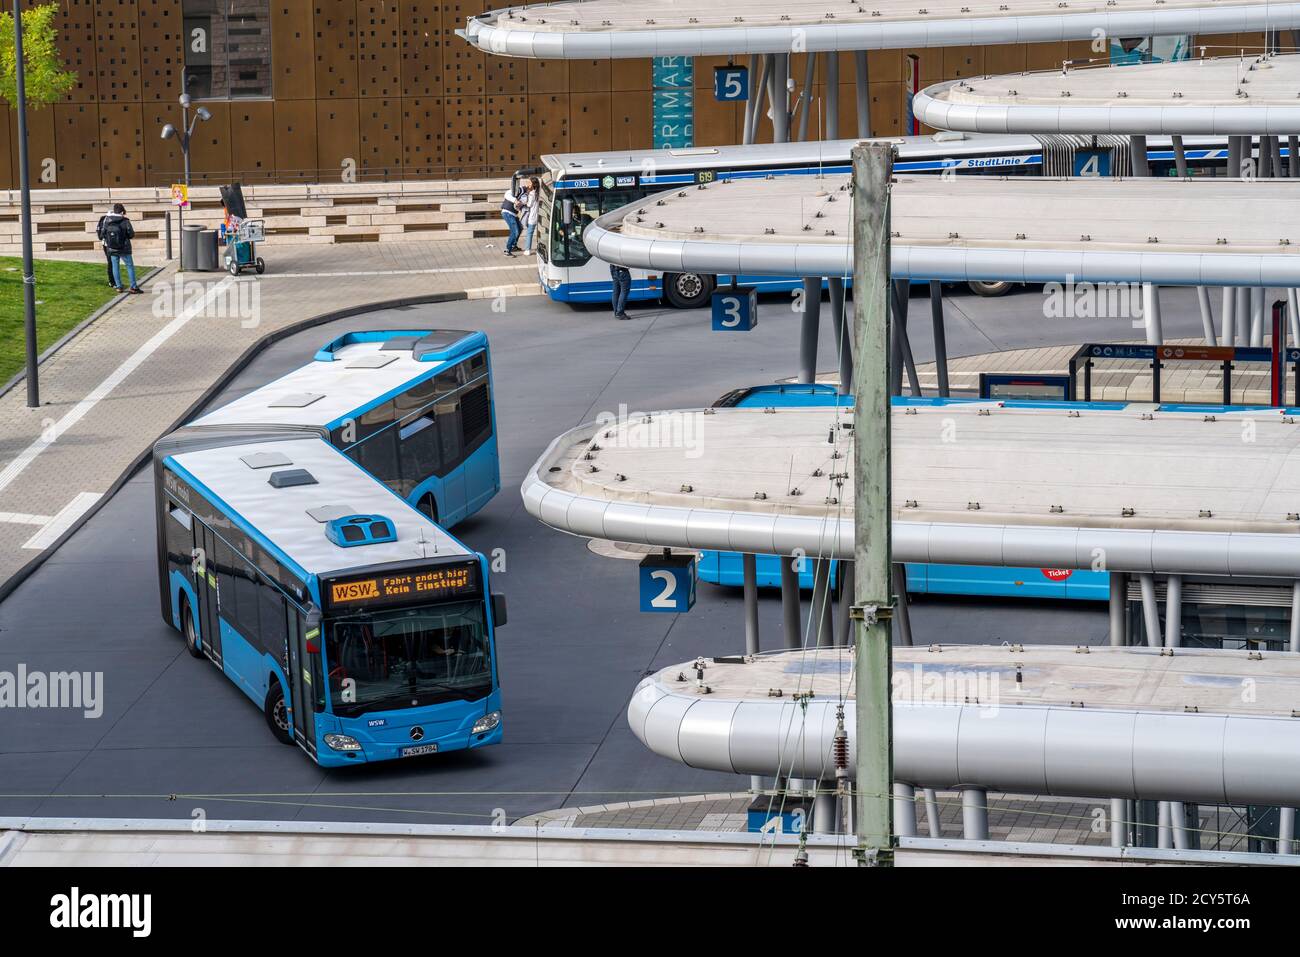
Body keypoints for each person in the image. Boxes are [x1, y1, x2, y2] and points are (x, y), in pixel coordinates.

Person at [100, 203, 142, 294]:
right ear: (122, 211)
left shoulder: (107, 220)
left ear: (114, 210)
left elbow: (102, 234)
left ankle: (119, 287)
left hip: (112, 248)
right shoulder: (125, 221)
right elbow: (131, 234)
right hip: (124, 248)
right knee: (129, 266)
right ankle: (133, 287)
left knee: (115, 267)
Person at [94, 208, 116, 287]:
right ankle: (113, 282)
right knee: (112, 263)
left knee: (111, 262)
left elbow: (99, 233)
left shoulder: (103, 219)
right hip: (110, 244)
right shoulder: (109, 220)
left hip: (105, 244)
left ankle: (113, 281)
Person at [500, 183, 523, 257]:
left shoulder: (524, 195)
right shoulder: (515, 191)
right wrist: (515, 201)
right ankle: (508, 250)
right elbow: (507, 195)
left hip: (513, 214)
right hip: (507, 213)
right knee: (514, 231)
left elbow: (522, 204)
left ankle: (513, 246)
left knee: (520, 228)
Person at [522, 177, 541, 255]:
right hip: (540, 215)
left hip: (533, 216)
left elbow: (529, 204)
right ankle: (539, 248)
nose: (527, 184)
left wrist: (524, 202)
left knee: (529, 233)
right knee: (540, 233)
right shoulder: (540, 192)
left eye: (529, 183)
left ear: (532, 184)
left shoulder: (532, 193)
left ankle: (527, 250)